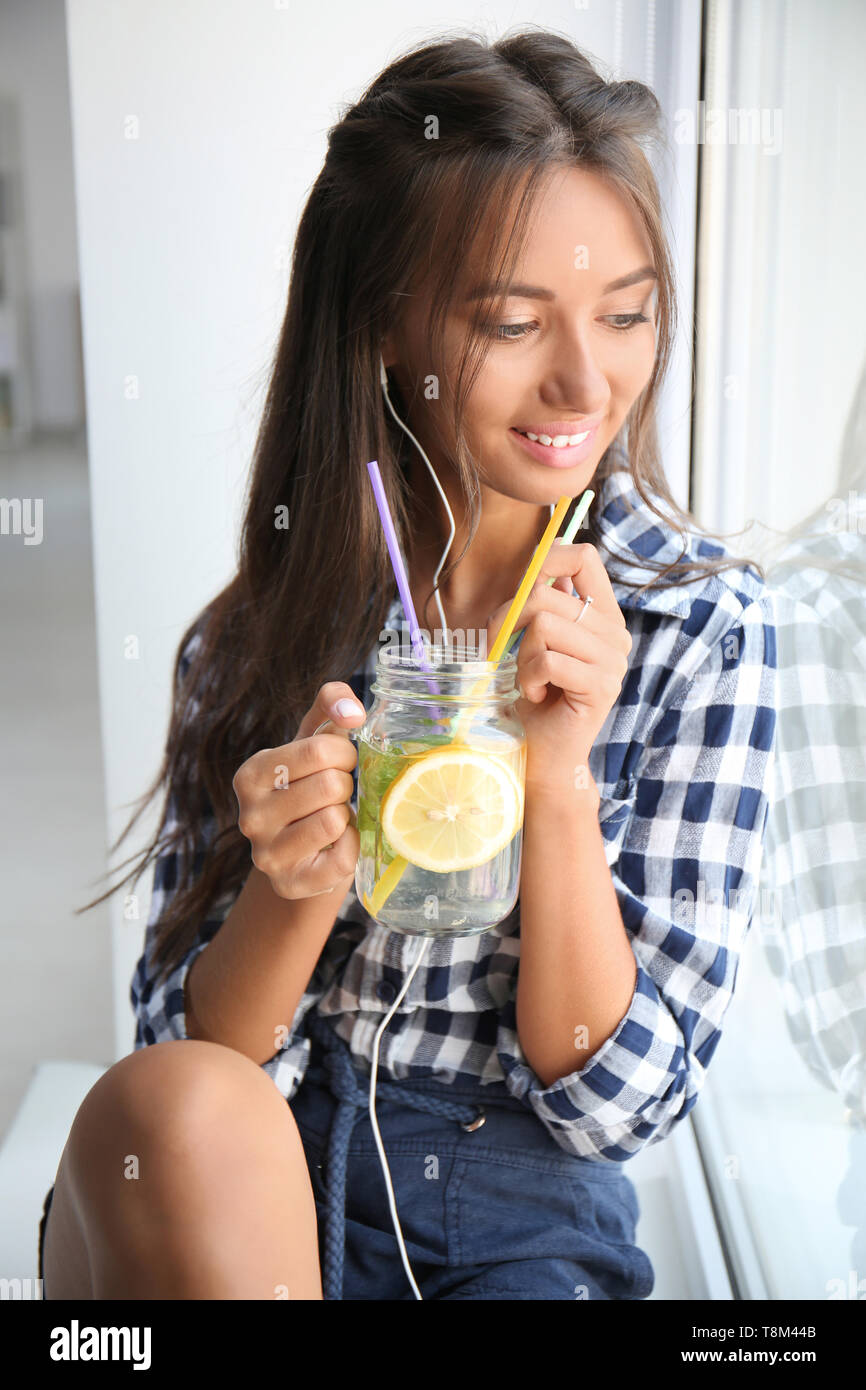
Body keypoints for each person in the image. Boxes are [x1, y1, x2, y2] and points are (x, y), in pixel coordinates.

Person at [39, 27, 778, 1300]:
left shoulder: (703, 627)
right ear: (388, 324)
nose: (582, 380)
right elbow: (191, 1054)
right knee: (170, 1114)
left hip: (520, 1224)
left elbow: (620, 1111)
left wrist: (556, 781)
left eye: (626, 316)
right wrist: (298, 880)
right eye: (508, 322)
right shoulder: (258, 634)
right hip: (256, 1182)